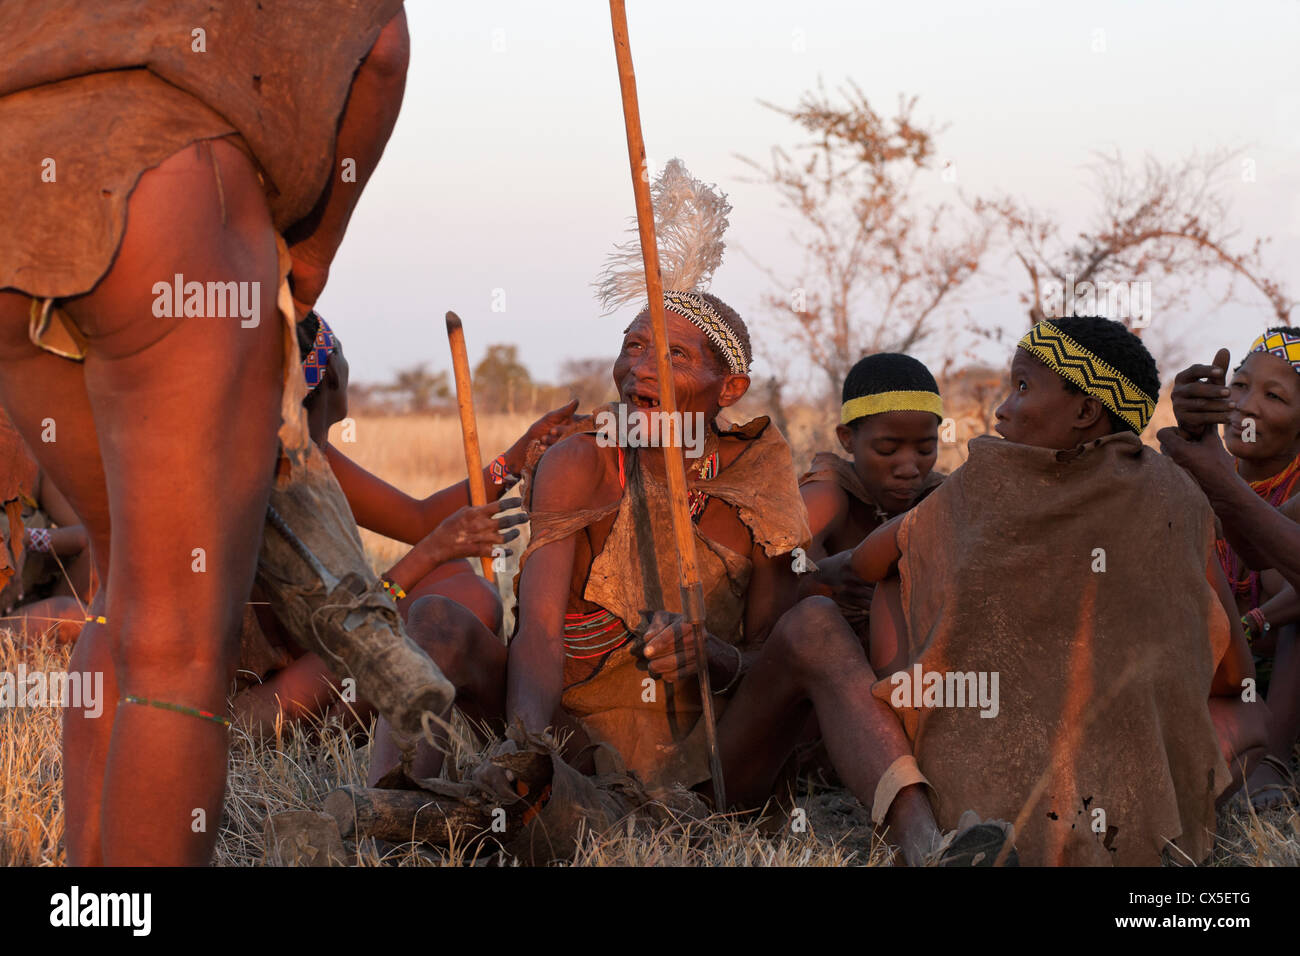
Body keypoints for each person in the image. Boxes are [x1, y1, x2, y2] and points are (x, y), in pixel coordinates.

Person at [375, 162, 1009, 866]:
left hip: (713, 765)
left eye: (672, 354)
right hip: (575, 746)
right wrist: (527, 760)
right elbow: (541, 633)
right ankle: (382, 817)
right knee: (433, 620)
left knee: (817, 623)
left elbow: (778, 647)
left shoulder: (759, 475)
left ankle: (926, 845)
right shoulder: (584, 458)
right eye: (633, 347)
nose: (638, 370)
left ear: (726, 387)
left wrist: (713, 652)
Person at [0, 1, 434, 865]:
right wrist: (313, 252)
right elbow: (380, 47)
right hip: (162, 192)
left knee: (122, 592)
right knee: (173, 649)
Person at [849, 316, 1264, 865]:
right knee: (1248, 716)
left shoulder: (986, 479)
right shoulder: (1178, 494)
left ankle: (920, 811)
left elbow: (863, 561)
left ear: (1086, 411)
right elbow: (1236, 675)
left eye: (1021, 388)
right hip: (1138, 820)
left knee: (894, 576)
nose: (1002, 410)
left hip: (980, 808)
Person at [234, 313, 577, 737]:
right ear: (332, 375)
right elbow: (349, 624)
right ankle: (334, 731)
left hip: (314, 661)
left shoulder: (308, 455)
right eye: (341, 350)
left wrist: (518, 456)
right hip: (262, 708)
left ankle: (354, 719)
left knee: (460, 586)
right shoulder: (268, 476)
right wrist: (432, 549)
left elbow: (419, 518)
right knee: (448, 584)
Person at [1162, 330, 1300, 810]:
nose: (1246, 406)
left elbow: (1268, 550)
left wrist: (1216, 473)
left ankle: (1276, 763)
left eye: (1274, 396)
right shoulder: (1194, 467)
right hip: (1220, 677)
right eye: (1238, 386)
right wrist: (1197, 453)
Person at [799, 353, 944, 634]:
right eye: (887, 450)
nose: (909, 468)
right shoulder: (826, 495)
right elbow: (784, 576)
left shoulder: (937, 497)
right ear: (847, 439)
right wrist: (825, 576)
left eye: (925, 450)